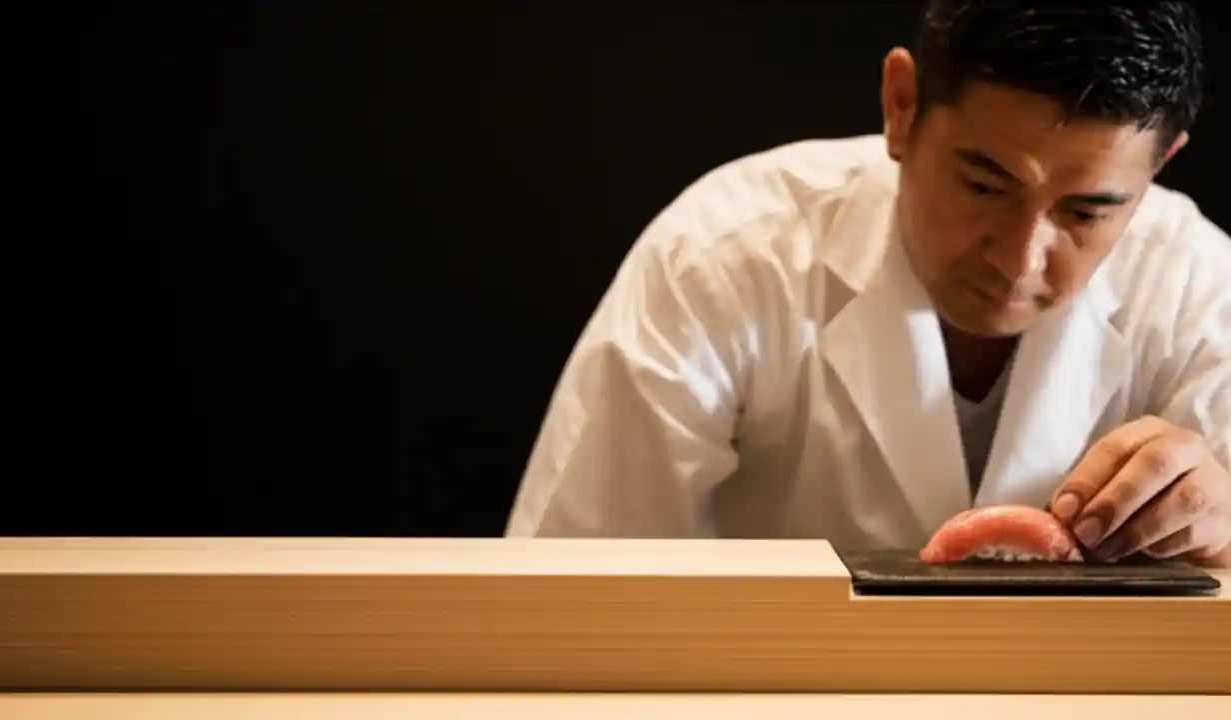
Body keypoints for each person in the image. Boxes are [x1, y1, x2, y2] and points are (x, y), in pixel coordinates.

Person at [504, 1, 1231, 567]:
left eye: (1085, 212)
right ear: (902, 104)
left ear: (1161, 161)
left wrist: (1217, 532)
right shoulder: (724, 258)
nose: (1017, 262)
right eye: (984, 185)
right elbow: (569, 578)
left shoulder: (1194, 280)